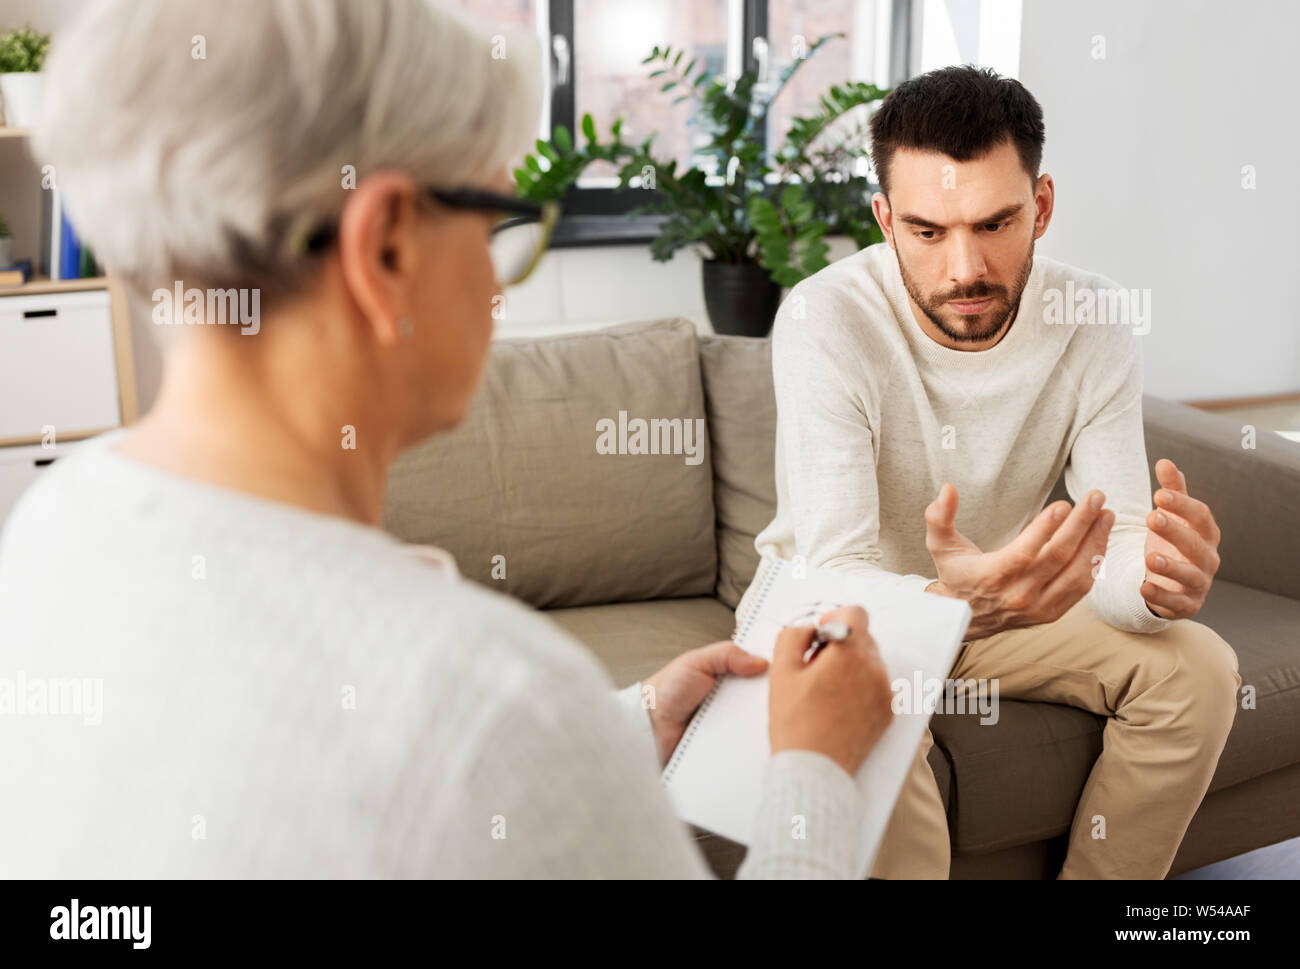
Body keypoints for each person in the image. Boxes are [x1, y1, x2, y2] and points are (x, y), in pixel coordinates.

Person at [0, 0, 894, 878]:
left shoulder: (48, 529)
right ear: (386, 248)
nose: (496, 287)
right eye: (496, 220)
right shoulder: (491, 697)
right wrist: (814, 769)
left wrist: (627, 723)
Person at [749, 65, 1240, 879]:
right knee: (871, 729)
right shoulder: (823, 318)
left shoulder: (1094, 319)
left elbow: (1114, 534)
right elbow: (839, 569)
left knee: (1200, 667)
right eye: (928, 231)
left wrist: (1153, 582)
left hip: (1001, 607)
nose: (964, 271)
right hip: (843, 621)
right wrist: (955, 603)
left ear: (1041, 206)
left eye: (995, 222)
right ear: (884, 218)